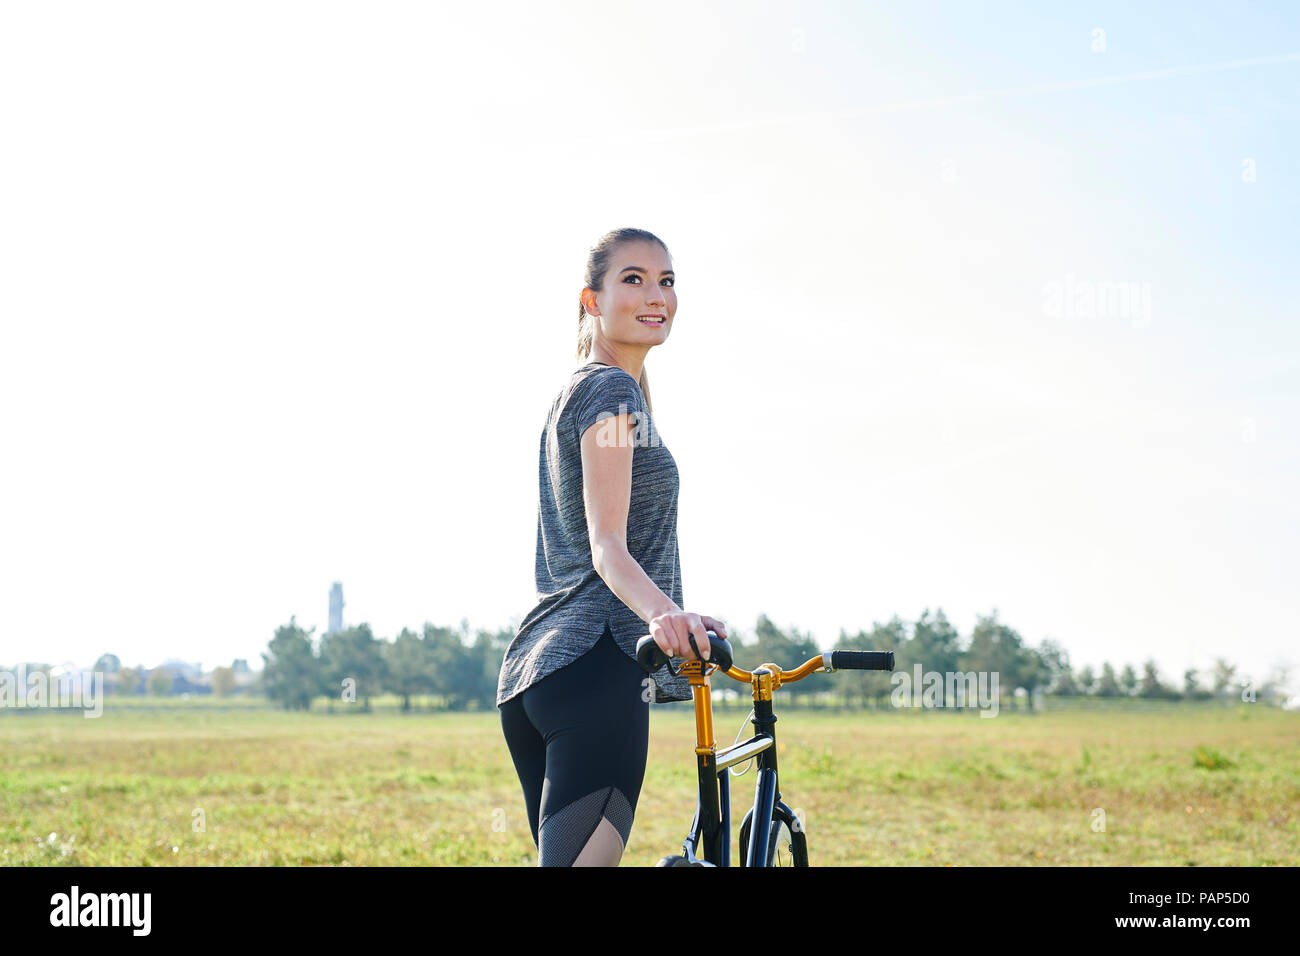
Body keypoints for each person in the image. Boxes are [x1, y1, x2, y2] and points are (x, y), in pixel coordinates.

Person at [496, 227, 729, 867]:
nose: (656, 295)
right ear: (591, 300)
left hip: (536, 677)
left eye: (667, 281)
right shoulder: (609, 390)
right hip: (597, 666)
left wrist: (671, 607)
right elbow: (606, 546)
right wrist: (664, 615)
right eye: (633, 279)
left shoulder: (583, 389)